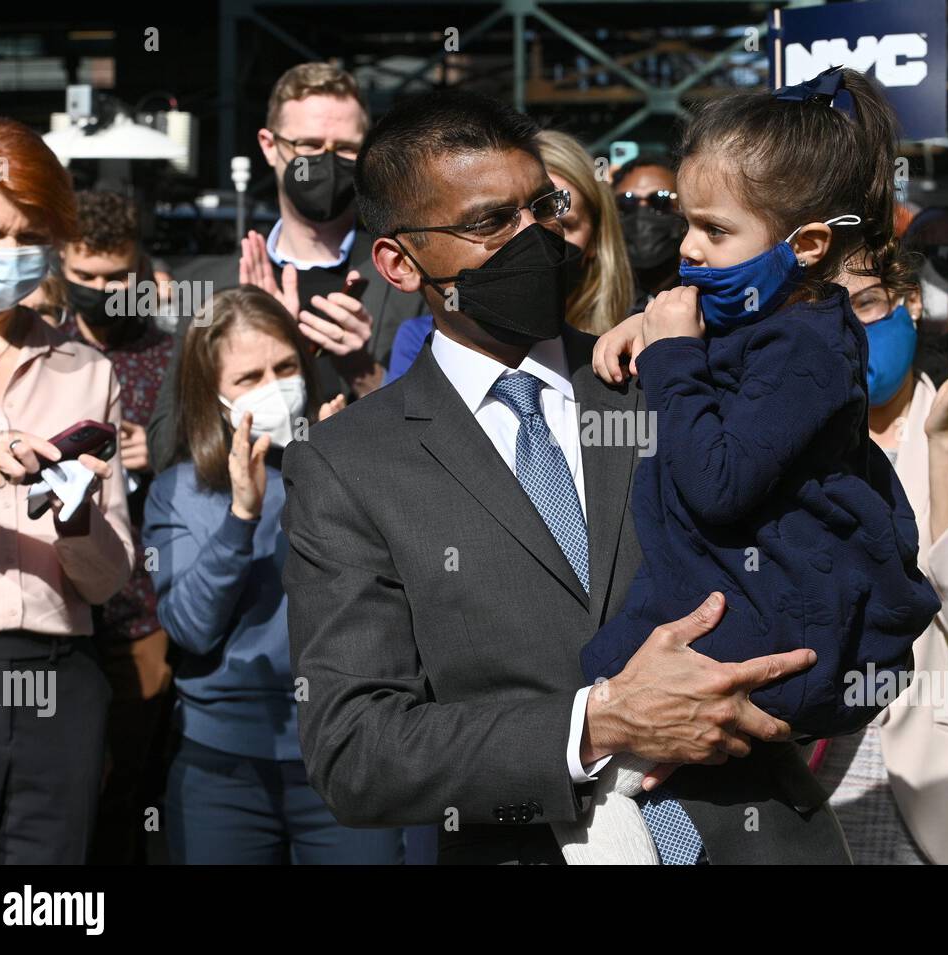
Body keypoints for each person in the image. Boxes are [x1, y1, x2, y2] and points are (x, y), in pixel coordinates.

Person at [283, 88, 853, 866]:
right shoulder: (347, 467)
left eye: (544, 207)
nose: (534, 238)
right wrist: (600, 720)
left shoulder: (677, 375)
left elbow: (847, 568)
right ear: (398, 261)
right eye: (490, 222)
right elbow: (355, 751)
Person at [569, 69, 941, 864]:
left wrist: (670, 354)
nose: (689, 248)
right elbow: (717, 349)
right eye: (686, 220)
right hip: (731, 590)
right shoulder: (764, 310)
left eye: (713, 229)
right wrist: (647, 323)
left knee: (604, 729)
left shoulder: (808, 346)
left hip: (769, 611)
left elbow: (720, 479)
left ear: (804, 245)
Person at [145, 286, 403, 864]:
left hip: (350, 747)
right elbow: (190, 629)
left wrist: (339, 477)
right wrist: (240, 517)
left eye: (285, 367)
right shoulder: (178, 492)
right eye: (248, 378)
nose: (272, 387)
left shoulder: (347, 458)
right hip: (224, 761)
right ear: (212, 393)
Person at [803, 250, 948, 864]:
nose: (852, 328)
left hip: (920, 766)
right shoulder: (789, 435)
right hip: (797, 754)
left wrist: (942, 440)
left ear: (910, 303)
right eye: (827, 311)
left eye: (868, 303)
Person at [0, 117, 135, 864]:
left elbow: (108, 575)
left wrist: (76, 516)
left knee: (47, 887)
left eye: (30, 236)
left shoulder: (85, 370)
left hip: (62, 673)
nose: (9, 255)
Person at [146, 62, 426, 472]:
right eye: (309, 145)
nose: (327, 163)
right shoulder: (206, 285)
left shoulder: (406, 277)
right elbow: (165, 447)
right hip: (243, 525)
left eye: (346, 149)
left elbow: (435, 444)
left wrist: (365, 374)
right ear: (269, 145)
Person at [54, 189, 176, 863]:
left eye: (116, 277)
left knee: (132, 784)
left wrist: (164, 450)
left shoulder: (171, 354)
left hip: (141, 606)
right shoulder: (44, 349)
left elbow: (214, 462)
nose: (102, 290)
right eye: (88, 276)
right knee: (63, 785)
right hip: (55, 604)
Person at [385, 128, 634, 383]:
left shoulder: (638, 342)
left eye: (549, 210)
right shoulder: (421, 341)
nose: (532, 235)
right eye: (494, 221)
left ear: (597, 239)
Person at [614, 153, 684, 312]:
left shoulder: (704, 300)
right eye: (626, 202)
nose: (642, 214)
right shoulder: (595, 298)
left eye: (660, 201)